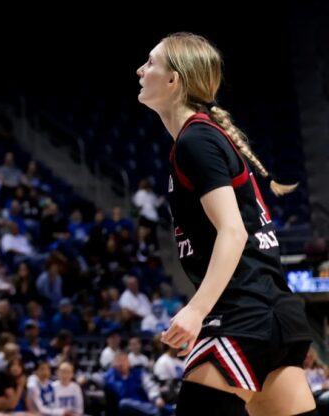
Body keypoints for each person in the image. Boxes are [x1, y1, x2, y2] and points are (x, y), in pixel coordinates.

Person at [137, 32, 315, 415]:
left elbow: (233, 231)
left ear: (174, 81)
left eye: (150, 62)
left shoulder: (196, 141)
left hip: (243, 317)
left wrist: (196, 310)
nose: (140, 70)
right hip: (276, 316)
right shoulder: (203, 137)